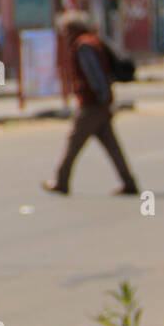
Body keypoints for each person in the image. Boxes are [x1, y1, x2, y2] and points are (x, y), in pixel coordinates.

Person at [43, 11, 139, 196]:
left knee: (73, 144)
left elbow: (94, 75)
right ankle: (129, 183)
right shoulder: (93, 41)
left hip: (91, 104)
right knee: (113, 147)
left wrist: (103, 100)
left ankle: (61, 182)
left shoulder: (84, 45)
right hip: (99, 103)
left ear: (72, 28)